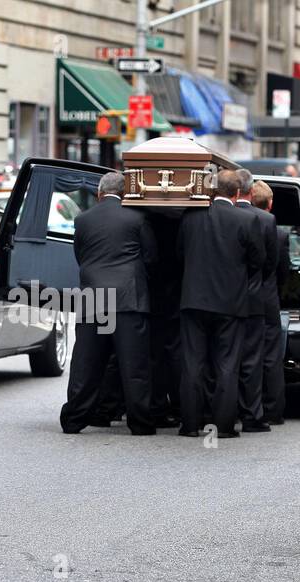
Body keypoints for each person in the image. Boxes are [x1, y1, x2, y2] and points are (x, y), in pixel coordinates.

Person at [59, 172, 157, 435]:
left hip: (93, 297)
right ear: (124, 193)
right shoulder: (138, 218)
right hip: (129, 299)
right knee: (134, 364)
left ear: (99, 193)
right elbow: (150, 257)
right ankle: (141, 423)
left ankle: (74, 419)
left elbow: (81, 255)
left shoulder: (83, 219)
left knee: (86, 363)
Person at [177, 170, 264, 439]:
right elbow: (258, 261)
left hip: (193, 300)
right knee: (227, 365)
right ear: (238, 193)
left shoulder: (190, 218)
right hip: (230, 303)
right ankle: (223, 426)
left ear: (213, 191)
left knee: (193, 363)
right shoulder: (246, 220)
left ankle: (190, 424)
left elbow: (180, 254)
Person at [233, 170, 279, 433]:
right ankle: (255, 413)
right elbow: (268, 263)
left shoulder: (211, 215)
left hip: (225, 297)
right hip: (256, 295)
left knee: (226, 358)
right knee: (253, 358)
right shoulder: (265, 220)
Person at [250, 181, 291, 425]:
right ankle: (272, 410)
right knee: (271, 357)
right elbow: (281, 269)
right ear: (270, 203)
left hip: (239, 298)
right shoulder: (279, 233)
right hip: (267, 298)